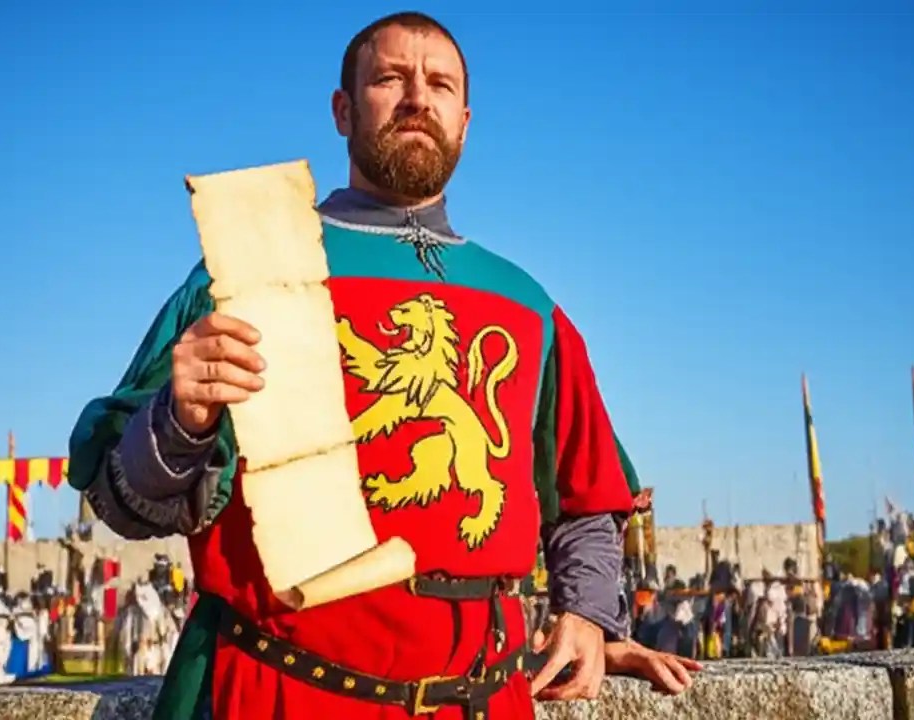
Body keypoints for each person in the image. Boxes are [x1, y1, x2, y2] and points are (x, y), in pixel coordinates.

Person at [68, 11, 700, 720]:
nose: (417, 99)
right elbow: (124, 501)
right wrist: (178, 421)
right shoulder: (250, 272)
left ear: (464, 121)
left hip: (484, 701)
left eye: (440, 85)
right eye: (390, 79)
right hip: (279, 693)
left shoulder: (527, 305)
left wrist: (586, 612)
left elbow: (585, 495)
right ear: (343, 111)